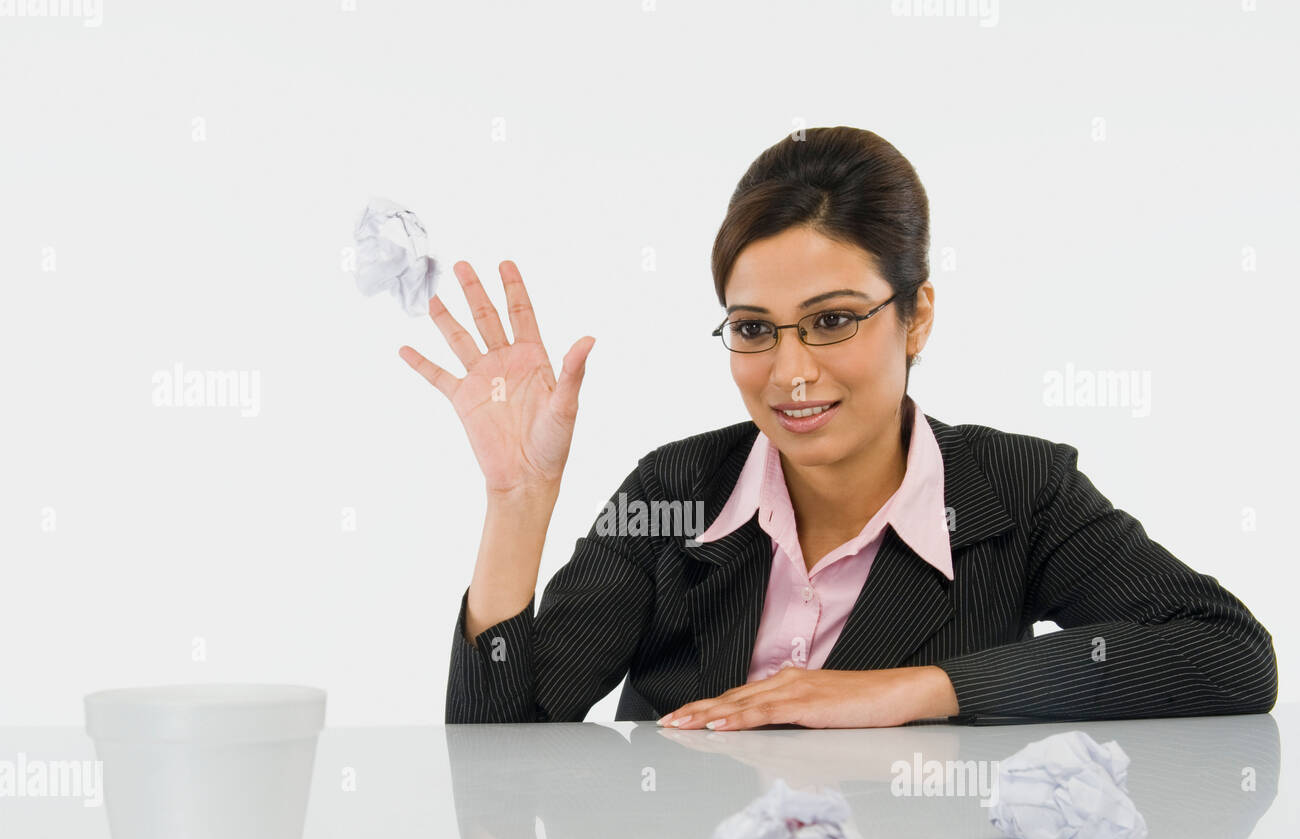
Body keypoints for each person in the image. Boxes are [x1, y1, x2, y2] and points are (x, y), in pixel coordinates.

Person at [400, 126, 1277, 728]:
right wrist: (518, 503)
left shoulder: (1019, 491)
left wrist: (909, 692)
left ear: (918, 315)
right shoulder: (673, 495)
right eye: (753, 329)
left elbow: (1226, 654)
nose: (792, 372)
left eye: (832, 319)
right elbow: (496, 756)